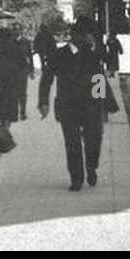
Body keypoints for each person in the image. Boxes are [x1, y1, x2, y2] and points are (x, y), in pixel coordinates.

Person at [39, 27, 107, 191]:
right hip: (67, 106)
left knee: (93, 141)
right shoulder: (58, 54)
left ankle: (91, 167)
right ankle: (76, 178)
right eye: (85, 35)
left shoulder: (91, 53)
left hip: (90, 105)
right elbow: (46, 78)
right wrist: (43, 102)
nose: (87, 38)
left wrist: (101, 104)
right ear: (75, 36)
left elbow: (99, 77)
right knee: (72, 143)